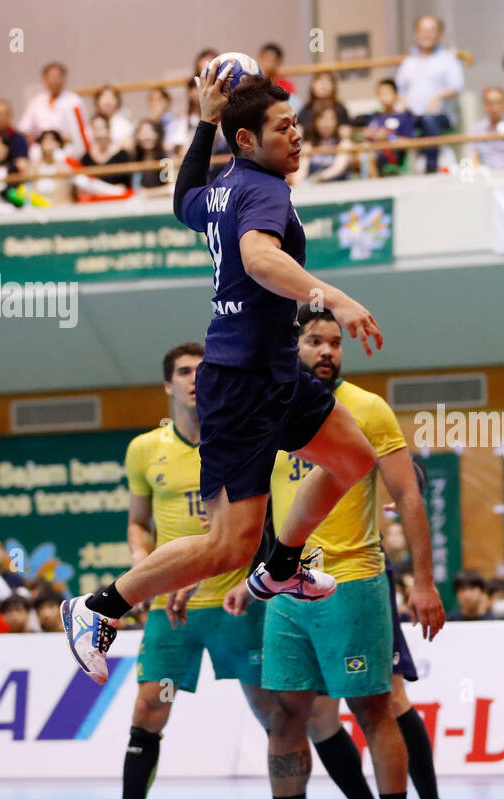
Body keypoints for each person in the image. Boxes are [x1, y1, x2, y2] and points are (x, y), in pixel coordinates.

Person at [63, 70, 388, 684]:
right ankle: (97, 609)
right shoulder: (267, 191)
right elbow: (259, 258)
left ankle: (284, 564)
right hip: (243, 385)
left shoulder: (221, 188)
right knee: (227, 547)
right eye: (283, 127)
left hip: (273, 372)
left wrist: (204, 119)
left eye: (296, 124)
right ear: (247, 140)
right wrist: (332, 299)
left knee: (351, 457)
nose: (298, 136)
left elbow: (182, 197)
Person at [76, 342, 324, 799]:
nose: (195, 379)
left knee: (276, 716)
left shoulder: (240, 435)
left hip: (238, 603)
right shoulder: (145, 450)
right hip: (174, 613)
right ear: (168, 385)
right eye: (185, 372)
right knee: (148, 709)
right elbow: (138, 523)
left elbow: (266, 521)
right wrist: (144, 573)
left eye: (204, 371)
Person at [224, 306, 447, 799]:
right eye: (314, 342)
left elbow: (410, 495)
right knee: (286, 714)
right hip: (287, 588)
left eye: (335, 343)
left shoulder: (367, 408)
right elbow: (249, 509)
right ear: (289, 346)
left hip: (353, 581)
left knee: (374, 708)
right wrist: (248, 581)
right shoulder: (267, 408)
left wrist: (424, 581)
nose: (326, 352)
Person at [396, 16, 465, 174]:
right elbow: (400, 90)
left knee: (429, 120)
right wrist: (403, 103)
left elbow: (456, 86)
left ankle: (431, 166)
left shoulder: (447, 60)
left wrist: (437, 97)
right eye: (423, 30)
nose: (426, 35)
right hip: (413, 116)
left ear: (439, 34)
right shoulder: (408, 63)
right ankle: (392, 171)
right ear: (416, 33)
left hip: (439, 117)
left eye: (431, 31)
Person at [16, 62, 89, 157]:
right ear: (45, 79)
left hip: (66, 148)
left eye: (57, 77)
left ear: (64, 78)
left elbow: (81, 132)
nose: (54, 81)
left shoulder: (74, 101)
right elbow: (24, 128)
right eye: (50, 77)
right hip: (41, 150)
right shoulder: (37, 101)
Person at [361, 78, 418, 177]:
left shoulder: (403, 117)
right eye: (380, 93)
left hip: (393, 156)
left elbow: (410, 142)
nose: (384, 97)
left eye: (387, 93)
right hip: (373, 152)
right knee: (362, 155)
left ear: (395, 95)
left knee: (369, 158)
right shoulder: (375, 118)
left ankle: (375, 186)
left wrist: (388, 137)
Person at [291, 107, 352, 186]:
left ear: (336, 122)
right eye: (321, 119)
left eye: (330, 119)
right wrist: (297, 184)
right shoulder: (309, 145)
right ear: (315, 123)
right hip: (314, 188)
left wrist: (315, 179)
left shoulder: (344, 143)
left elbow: (337, 169)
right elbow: (301, 170)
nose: (326, 124)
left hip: (339, 186)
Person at [470, 87, 504, 169]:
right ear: (484, 105)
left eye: (498, 103)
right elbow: (475, 159)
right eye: (490, 103)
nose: (494, 108)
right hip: (485, 175)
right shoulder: (479, 128)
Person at [94, 86, 135, 153]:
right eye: (104, 98)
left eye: (110, 98)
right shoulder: (93, 121)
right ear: (98, 102)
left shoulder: (123, 123)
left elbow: (129, 145)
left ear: (117, 101)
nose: (107, 102)